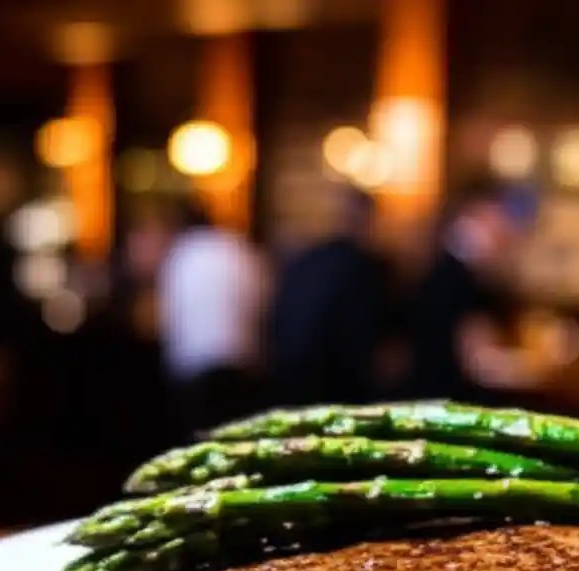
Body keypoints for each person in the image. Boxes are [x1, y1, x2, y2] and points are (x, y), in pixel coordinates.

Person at [406, 178, 526, 402]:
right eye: (496, 219)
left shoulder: (441, 267)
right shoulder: (458, 280)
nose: (505, 230)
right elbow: (480, 363)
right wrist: (527, 368)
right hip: (446, 402)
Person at [157, 197, 268, 436]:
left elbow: (170, 315)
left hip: (193, 365)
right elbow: (261, 301)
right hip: (239, 361)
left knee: (196, 440)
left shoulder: (180, 254)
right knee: (235, 438)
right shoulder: (240, 248)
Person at [267, 188, 387, 405]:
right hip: (336, 382)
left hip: (290, 375)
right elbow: (363, 331)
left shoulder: (304, 260)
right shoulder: (361, 266)